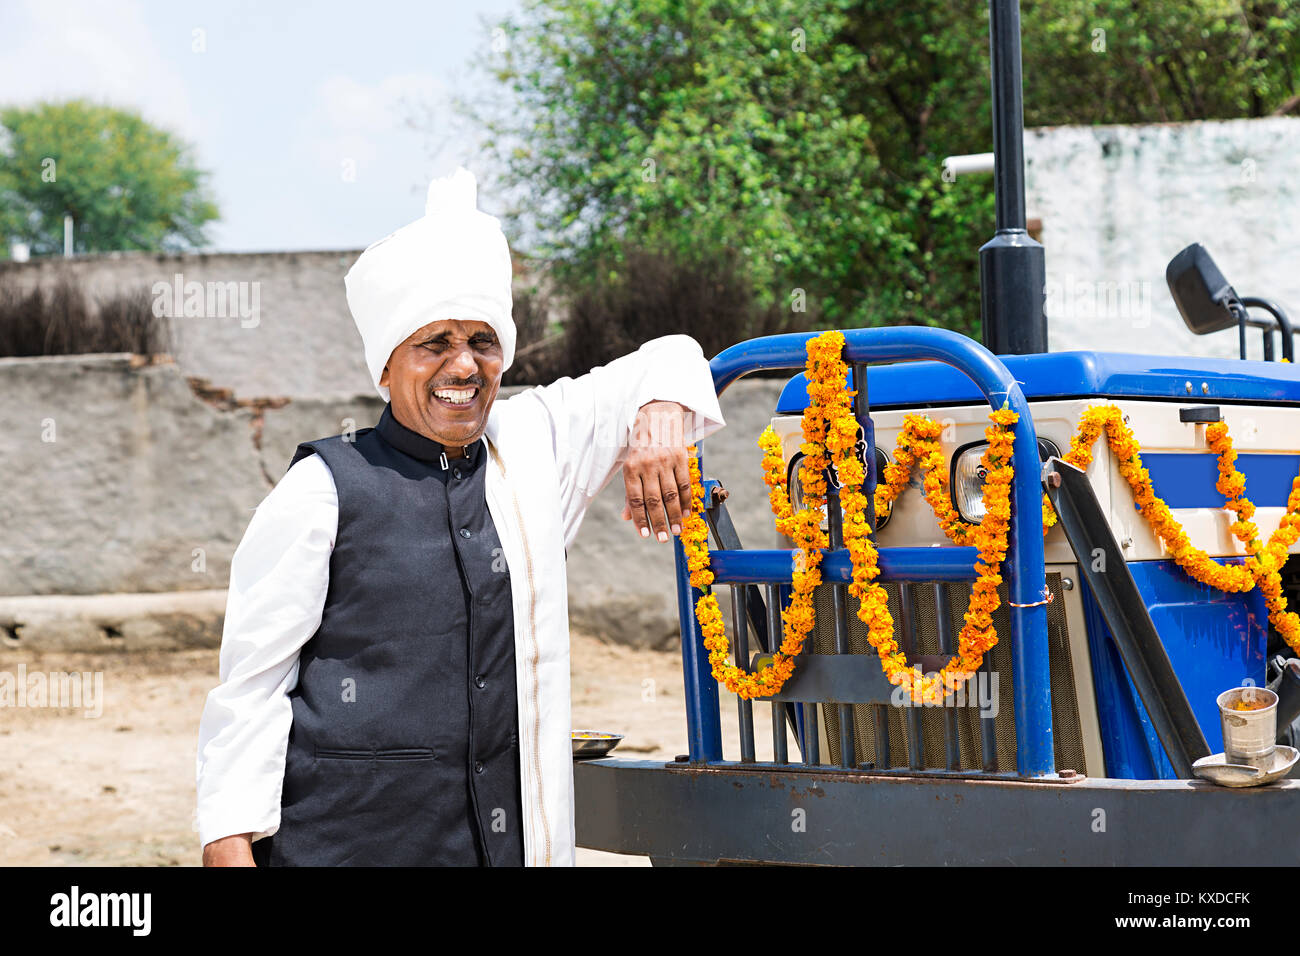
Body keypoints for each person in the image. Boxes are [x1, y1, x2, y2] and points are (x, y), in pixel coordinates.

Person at [194, 167, 725, 866]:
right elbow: (252, 688)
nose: (464, 365)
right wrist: (228, 844)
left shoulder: (533, 447)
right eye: (434, 343)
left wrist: (659, 420)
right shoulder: (319, 490)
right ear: (386, 367)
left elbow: (672, 356)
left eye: (483, 340)